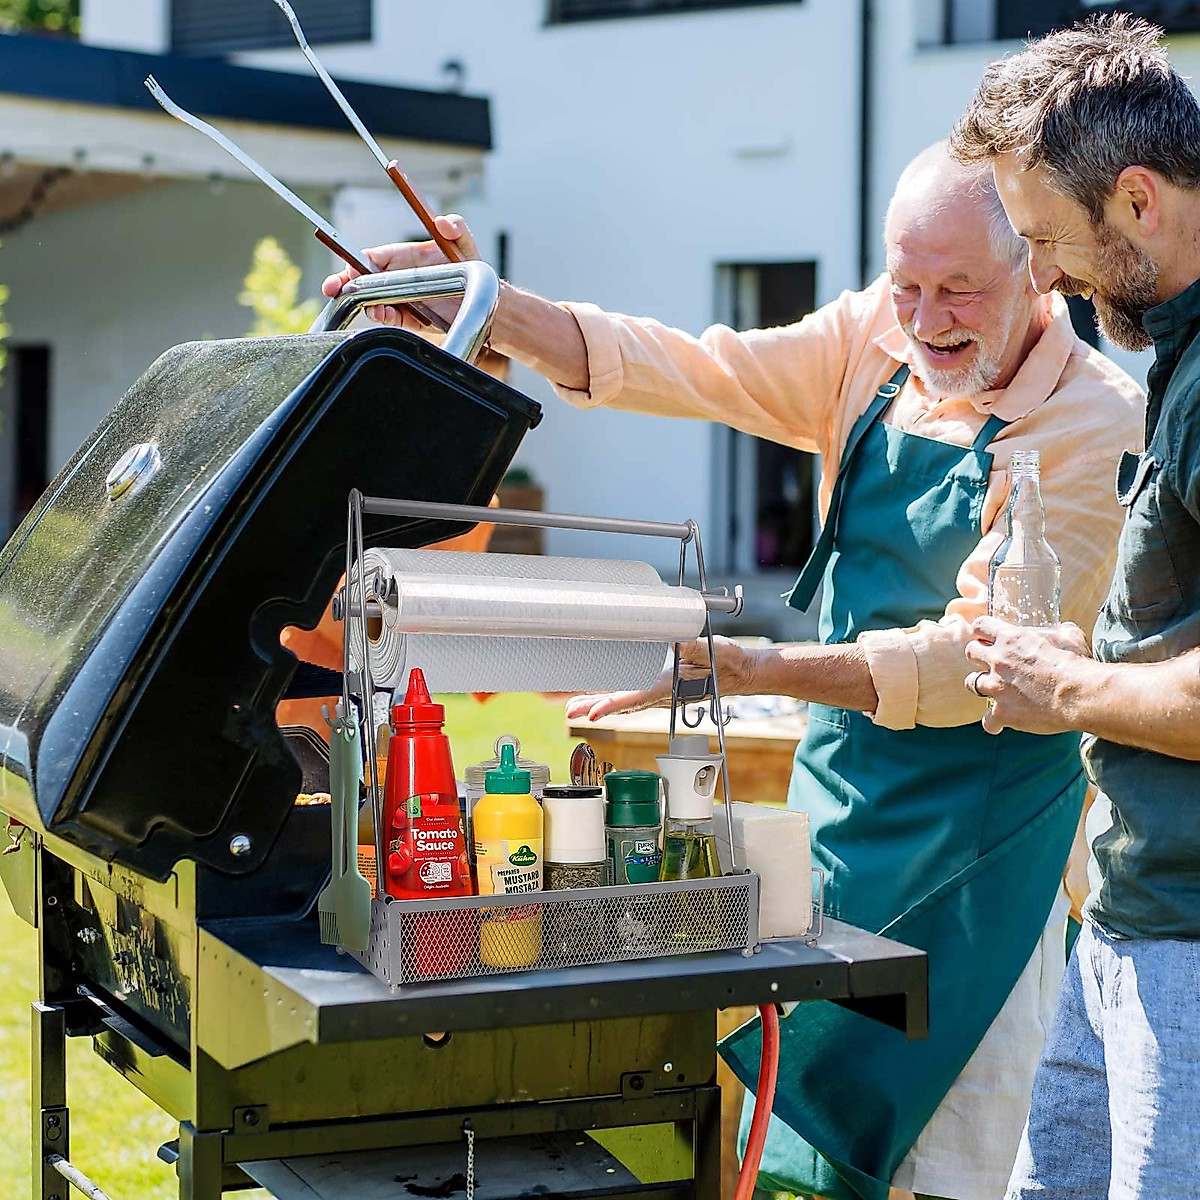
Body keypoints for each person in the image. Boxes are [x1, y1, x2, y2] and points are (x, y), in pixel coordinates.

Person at [323, 144, 1144, 1200]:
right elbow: (694, 365)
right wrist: (485, 306)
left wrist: (745, 661)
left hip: (986, 857)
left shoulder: (1095, 420)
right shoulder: (874, 340)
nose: (924, 316)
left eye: (957, 290)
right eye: (904, 284)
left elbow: (972, 663)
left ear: (1037, 267)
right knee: (798, 1155)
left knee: (955, 1167)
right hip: (837, 814)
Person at [950, 14, 1200, 1198]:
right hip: (1127, 922)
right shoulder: (1181, 364)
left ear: (1138, 200)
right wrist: (1083, 649)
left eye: (1047, 239)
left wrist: (1066, 687)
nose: (1040, 275)